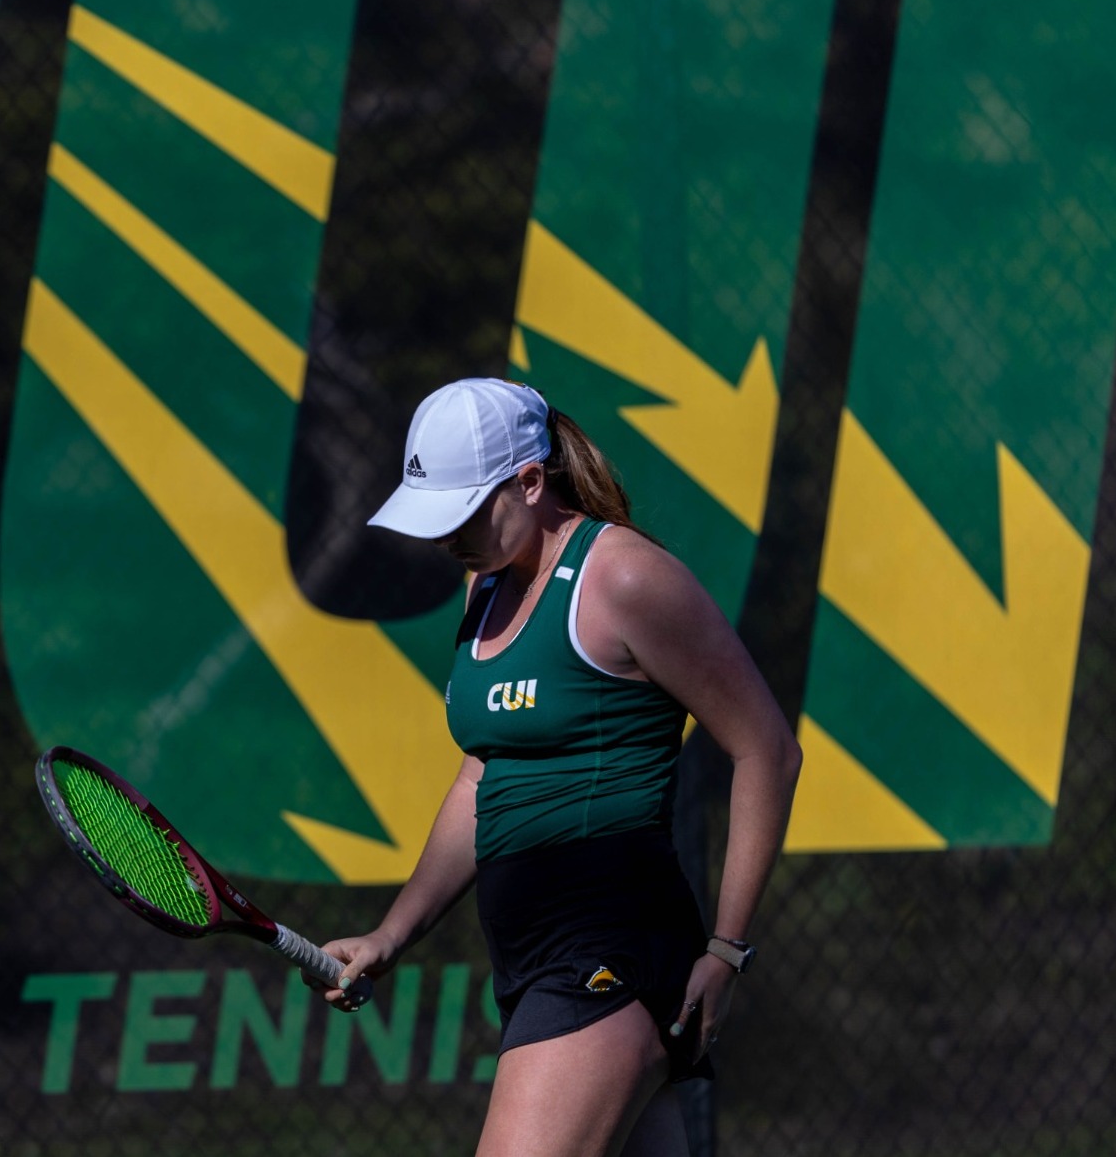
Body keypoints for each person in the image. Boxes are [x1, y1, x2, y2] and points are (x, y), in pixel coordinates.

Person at [319, 378, 800, 1157]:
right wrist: (392, 933)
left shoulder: (625, 579)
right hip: (530, 962)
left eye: (464, 512)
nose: (448, 538)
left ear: (531, 481)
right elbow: (485, 776)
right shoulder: (483, 589)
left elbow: (768, 750)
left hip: (607, 954)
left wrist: (727, 950)